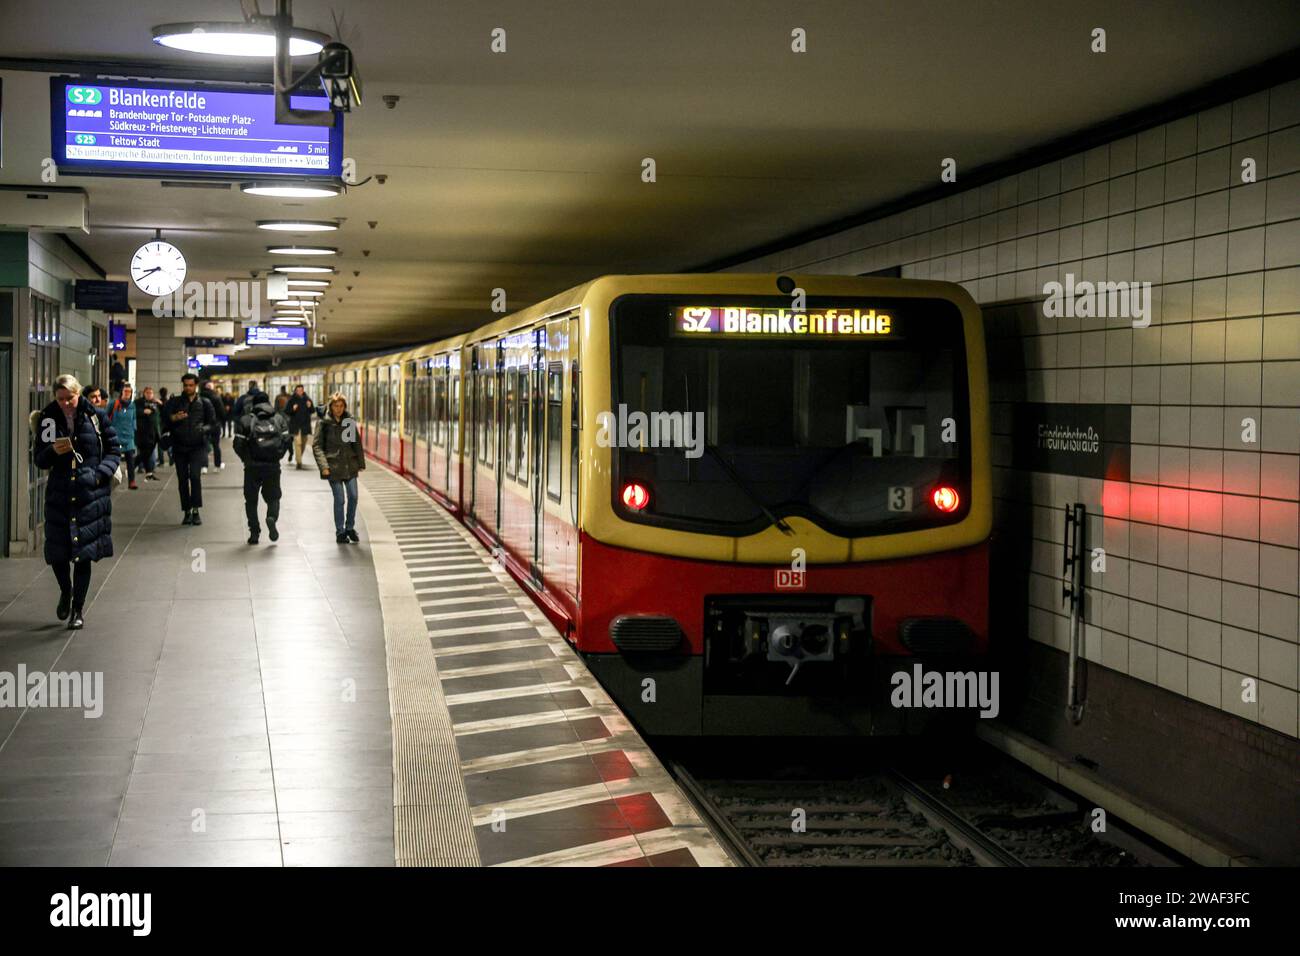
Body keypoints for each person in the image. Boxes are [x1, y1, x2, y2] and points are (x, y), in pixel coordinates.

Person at [30, 374, 121, 630]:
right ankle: (65, 590)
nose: (65, 404)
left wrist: (97, 475)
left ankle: (78, 610)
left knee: (84, 555)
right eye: (60, 399)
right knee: (58, 554)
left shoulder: (95, 417)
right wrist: (52, 451)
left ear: (78, 394)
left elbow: (114, 450)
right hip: (60, 493)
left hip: (88, 494)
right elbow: (39, 458)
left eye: (69, 398)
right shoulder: (49, 418)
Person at [233, 390, 290, 545]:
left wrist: (247, 459)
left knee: (251, 500)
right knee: (273, 497)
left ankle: (254, 532)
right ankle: (271, 517)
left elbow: (237, 445)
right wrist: (278, 456)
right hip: (272, 466)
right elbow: (287, 440)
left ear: (253, 404)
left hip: (252, 467)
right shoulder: (279, 419)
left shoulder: (245, 420)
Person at [161, 373, 215, 526]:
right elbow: (165, 419)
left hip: (197, 446)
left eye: (191, 385)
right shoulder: (175, 402)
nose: (188, 388)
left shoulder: (205, 403)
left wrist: (203, 429)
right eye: (185, 385)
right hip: (179, 446)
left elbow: (213, 423)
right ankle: (187, 511)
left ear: (196, 385)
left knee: (195, 478)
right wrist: (174, 418)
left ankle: (196, 510)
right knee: (182, 480)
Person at [313, 392, 366, 544]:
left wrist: (360, 463)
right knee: (340, 499)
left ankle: (350, 527)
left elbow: (354, 443)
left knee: (354, 496)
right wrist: (323, 466)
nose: (339, 409)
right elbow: (317, 446)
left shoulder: (347, 421)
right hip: (333, 467)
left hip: (349, 466)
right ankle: (340, 531)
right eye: (336, 406)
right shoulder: (324, 422)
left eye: (341, 406)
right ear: (331, 406)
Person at [107, 384, 139, 489]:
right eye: (125, 391)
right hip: (116, 436)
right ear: (122, 392)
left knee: (130, 459)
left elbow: (134, 419)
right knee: (114, 459)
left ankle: (132, 481)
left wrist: (134, 429)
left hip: (129, 436)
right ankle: (111, 480)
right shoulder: (114, 403)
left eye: (129, 392)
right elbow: (106, 417)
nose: (127, 393)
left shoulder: (132, 405)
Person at [134, 386, 162, 481]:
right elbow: (134, 412)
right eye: (147, 393)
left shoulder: (155, 403)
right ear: (144, 393)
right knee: (145, 452)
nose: (149, 395)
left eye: (151, 393)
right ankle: (132, 465)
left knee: (148, 453)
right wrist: (143, 412)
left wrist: (161, 404)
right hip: (143, 432)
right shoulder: (139, 402)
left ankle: (149, 473)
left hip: (154, 432)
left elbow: (161, 414)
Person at [285, 384, 315, 470]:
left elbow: (312, 411)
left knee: (304, 442)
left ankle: (298, 457)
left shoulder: (307, 399)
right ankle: (299, 462)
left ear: (303, 390)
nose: (299, 392)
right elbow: (286, 411)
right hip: (296, 425)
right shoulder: (292, 400)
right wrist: (292, 409)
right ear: (295, 391)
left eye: (301, 390)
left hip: (305, 425)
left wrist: (310, 406)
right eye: (298, 390)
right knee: (298, 443)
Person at [200, 380, 226, 474]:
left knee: (203, 446)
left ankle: (204, 466)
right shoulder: (216, 397)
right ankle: (217, 465)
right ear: (211, 387)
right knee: (216, 445)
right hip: (215, 424)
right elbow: (222, 412)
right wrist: (222, 422)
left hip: (203, 425)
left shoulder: (199, 397)